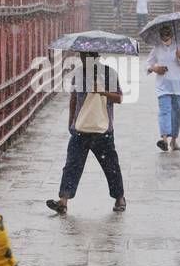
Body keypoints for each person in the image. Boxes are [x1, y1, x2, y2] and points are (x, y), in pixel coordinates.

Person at [46, 52, 127, 214]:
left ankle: (119, 197)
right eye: (82, 57)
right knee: (72, 165)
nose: (83, 59)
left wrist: (102, 92)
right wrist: (71, 122)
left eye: (86, 56)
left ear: (95, 57)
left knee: (110, 166)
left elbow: (119, 98)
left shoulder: (109, 73)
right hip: (80, 129)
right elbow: (74, 99)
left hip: (103, 130)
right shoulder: (78, 74)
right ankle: (63, 201)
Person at [146, 24, 180, 151]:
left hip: (178, 86)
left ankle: (174, 140)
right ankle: (164, 140)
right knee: (164, 111)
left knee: (176, 114)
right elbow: (148, 64)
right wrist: (155, 69)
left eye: (167, 37)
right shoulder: (157, 48)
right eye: (163, 37)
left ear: (172, 36)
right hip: (163, 85)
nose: (165, 40)